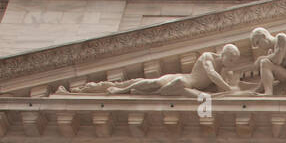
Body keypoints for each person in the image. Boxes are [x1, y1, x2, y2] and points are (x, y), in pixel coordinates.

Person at [67, 44, 243, 99]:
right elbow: (212, 75)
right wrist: (228, 89)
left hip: (187, 87)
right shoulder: (208, 57)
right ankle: (120, 90)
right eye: (232, 59)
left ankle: (149, 92)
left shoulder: (226, 69)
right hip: (183, 79)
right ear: (224, 53)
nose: (233, 63)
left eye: (235, 61)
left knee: (198, 95)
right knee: (156, 83)